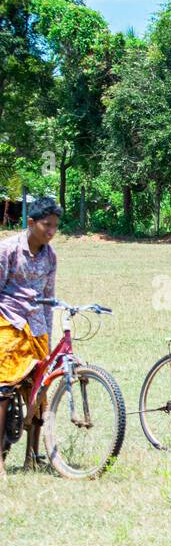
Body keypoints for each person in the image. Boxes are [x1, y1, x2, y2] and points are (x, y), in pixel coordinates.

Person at [0, 196, 60, 468]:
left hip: (36, 328)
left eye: (55, 226)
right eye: (46, 225)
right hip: (8, 323)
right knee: (4, 388)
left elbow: (49, 297)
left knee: (38, 391)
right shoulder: (8, 250)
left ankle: (32, 457)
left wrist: (47, 337)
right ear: (31, 222)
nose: (51, 231)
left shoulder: (50, 256)